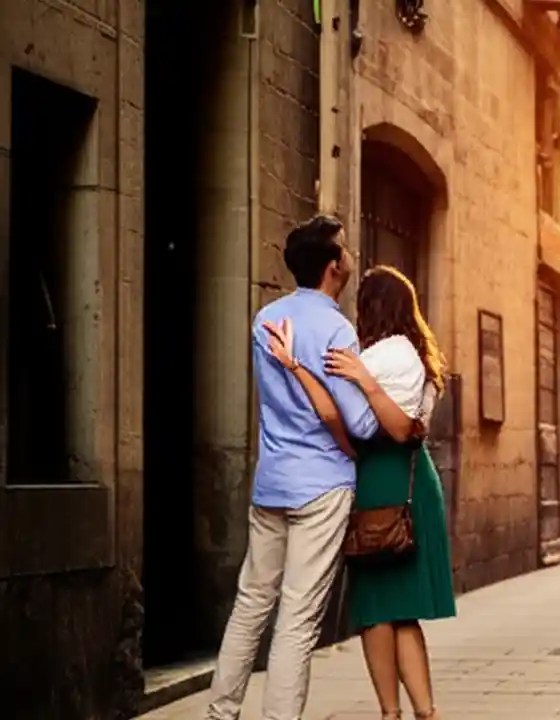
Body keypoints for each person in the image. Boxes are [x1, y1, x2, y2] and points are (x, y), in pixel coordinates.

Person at [207, 215, 382, 720]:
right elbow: (358, 421)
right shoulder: (336, 328)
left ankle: (220, 713)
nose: (350, 254)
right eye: (344, 248)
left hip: (273, 480)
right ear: (334, 266)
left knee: (250, 603)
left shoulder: (266, 318)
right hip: (322, 484)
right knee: (298, 619)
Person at [264, 265, 456, 720]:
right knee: (393, 609)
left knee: (381, 607)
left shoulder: (389, 356)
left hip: (387, 482)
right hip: (405, 483)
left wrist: (318, 371)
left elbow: (397, 429)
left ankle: (398, 713)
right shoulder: (415, 357)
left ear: (372, 308)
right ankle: (419, 713)